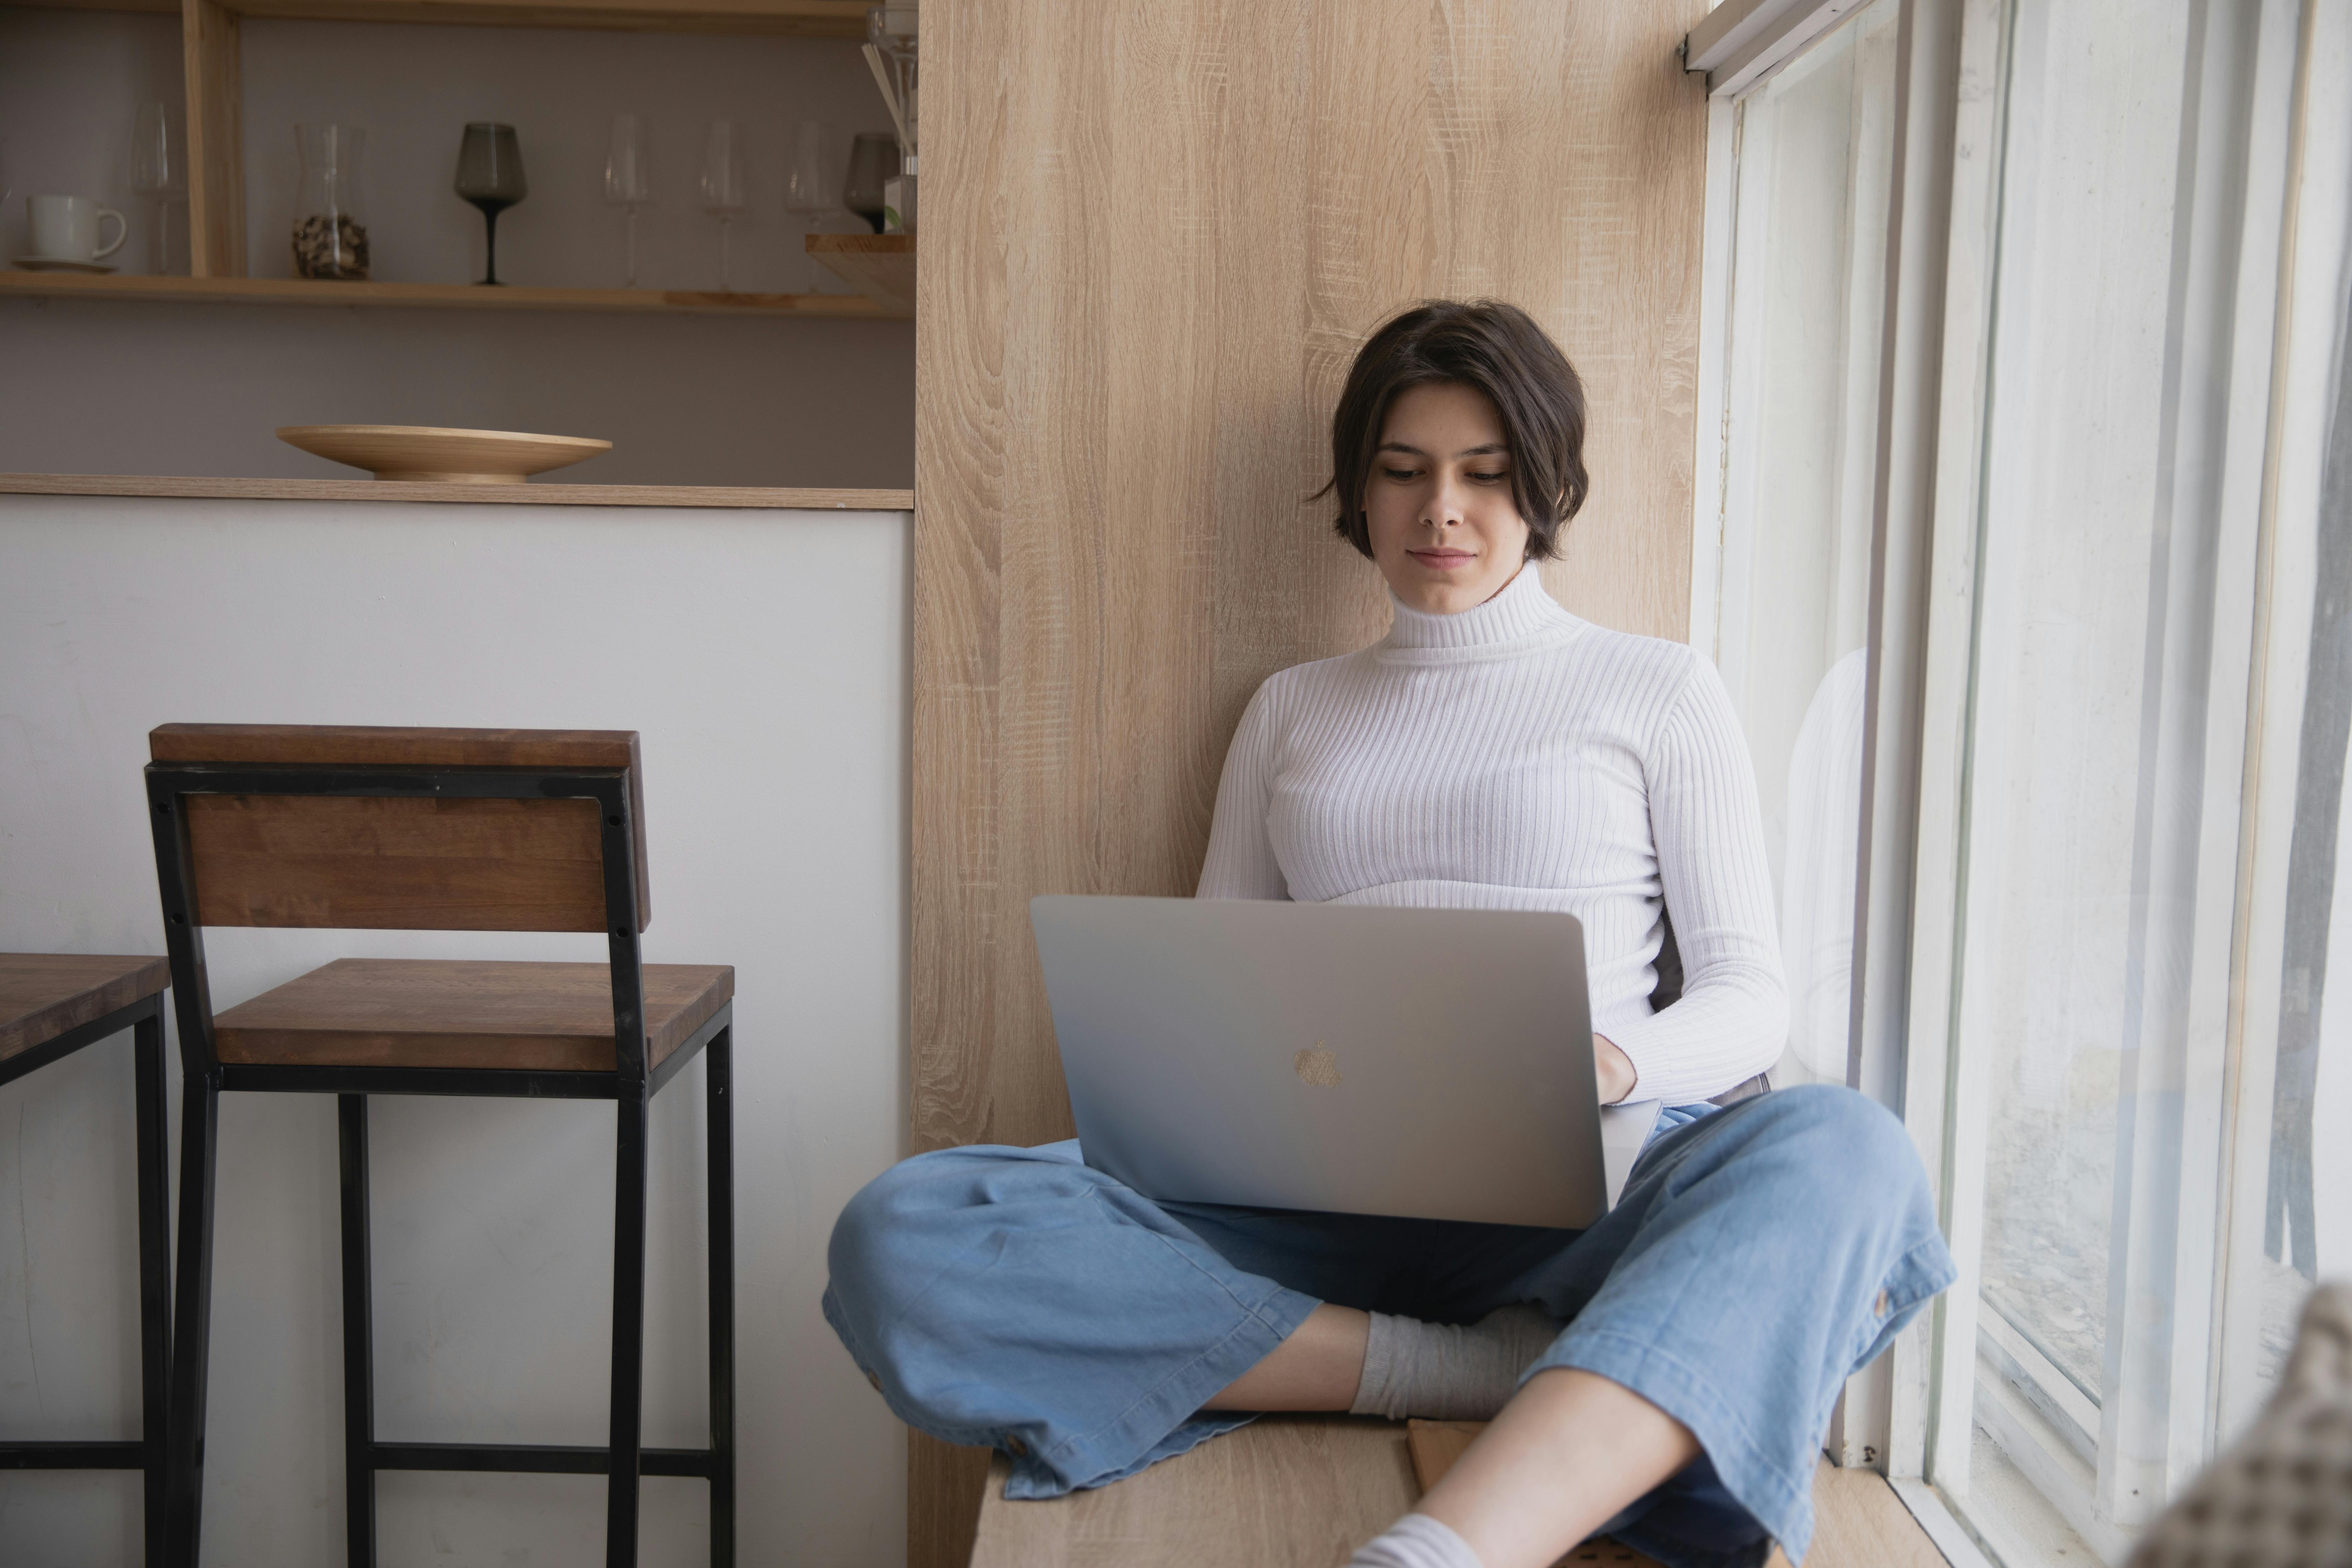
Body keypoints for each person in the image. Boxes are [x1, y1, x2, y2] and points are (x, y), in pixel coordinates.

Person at [823, 300, 1954, 1568]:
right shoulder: (1292, 710)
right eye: (1403, 473)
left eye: (1485, 474)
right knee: (908, 1230)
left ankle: (1441, 1551)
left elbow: (1752, 993)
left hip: (1591, 1181)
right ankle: (1482, 1371)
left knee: (1849, 1149)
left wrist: (1614, 1063)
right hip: (1309, 1202)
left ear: (1547, 485)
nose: (1441, 513)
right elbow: (1217, 984)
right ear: (1359, 493)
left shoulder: (1659, 688)